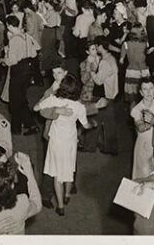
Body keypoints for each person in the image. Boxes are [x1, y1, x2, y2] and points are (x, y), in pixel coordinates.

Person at [34, 73, 95, 215]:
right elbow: (85, 126)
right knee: (69, 169)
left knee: (56, 174)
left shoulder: (54, 100)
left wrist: (55, 110)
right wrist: (92, 124)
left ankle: (60, 206)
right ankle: (67, 195)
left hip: (56, 141)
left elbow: (36, 108)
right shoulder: (79, 106)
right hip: (70, 142)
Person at [0, 16, 39, 135]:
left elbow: (12, 61)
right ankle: (30, 124)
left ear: (9, 26)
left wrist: (3, 59)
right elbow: (35, 51)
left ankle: (16, 128)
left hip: (18, 71)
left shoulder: (14, 40)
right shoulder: (26, 36)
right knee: (21, 99)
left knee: (15, 101)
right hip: (27, 70)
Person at [130, 77, 154, 179]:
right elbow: (140, 127)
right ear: (141, 92)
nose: (148, 92)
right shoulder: (137, 109)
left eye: (151, 88)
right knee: (144, 174)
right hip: (144, 145)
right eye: (145, 89)